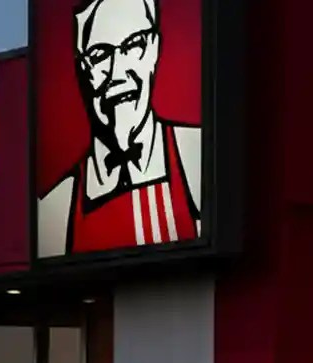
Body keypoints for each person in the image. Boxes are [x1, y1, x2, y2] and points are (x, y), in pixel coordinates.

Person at [38, 0, 201, 257]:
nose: (117, 73)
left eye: (133, 45)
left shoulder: (199, 159)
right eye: (100, 55)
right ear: (83, 70)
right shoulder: (56, 208)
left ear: (154, 50)